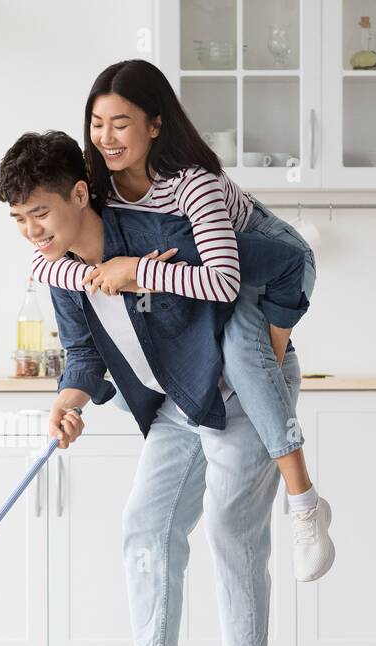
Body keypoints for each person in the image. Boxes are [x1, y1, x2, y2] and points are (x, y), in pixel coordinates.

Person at [0, 130, 306, 646]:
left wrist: (145, 276)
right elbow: (83, 355)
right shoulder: (61, 271)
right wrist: (68, 402)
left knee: (230, 529)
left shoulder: (153, 228)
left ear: (81, 193)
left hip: (238, 391)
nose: (31, 229)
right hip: (174, 406)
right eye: (19, 219)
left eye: (41, 212)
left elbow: (232, 278)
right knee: (146, 527)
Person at [30, 59, 334, 583]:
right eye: (96, 124)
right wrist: (100, 278)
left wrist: (138, 272)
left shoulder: (193, 185)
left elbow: (221, 281)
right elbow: (48, 254)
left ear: (155, 124)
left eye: (121, 123)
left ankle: (305, 506)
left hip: (268, 264)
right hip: (213, 276)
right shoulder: (97, 186)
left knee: (244, 357)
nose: (106, 137)